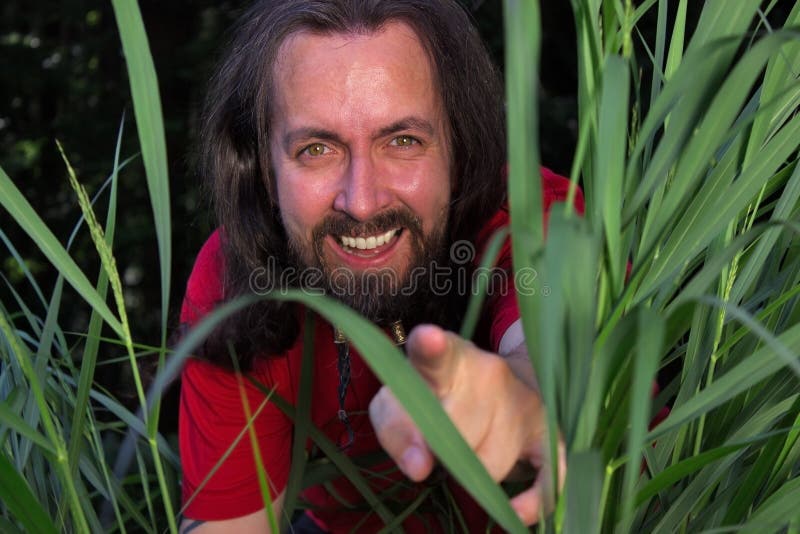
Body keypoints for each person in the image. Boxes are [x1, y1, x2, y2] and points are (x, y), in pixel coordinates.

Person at [178, 1, 580, 532]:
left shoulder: (532, 220)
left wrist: (522, 395)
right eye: (316, 150)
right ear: (265, 172)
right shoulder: (234, 283)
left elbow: (553, 344)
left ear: (458, 148)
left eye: (403, 141)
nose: (362, 203)